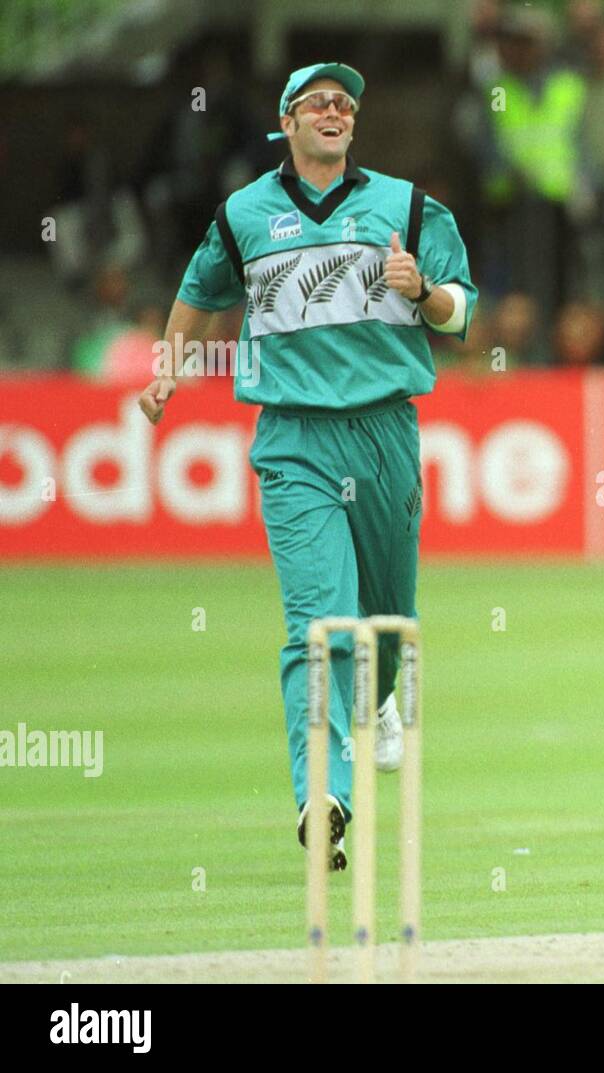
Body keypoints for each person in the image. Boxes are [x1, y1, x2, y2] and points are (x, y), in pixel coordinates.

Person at [136, 63, 477, 870]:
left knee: (386, 618)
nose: (335, 111)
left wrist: (423, 290)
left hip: (385, 431)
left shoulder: (407, 204)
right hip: (294, 440)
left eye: (346, 104)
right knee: (319, 624)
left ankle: (382, 691)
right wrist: (169, 363)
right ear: (286, 123)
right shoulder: (244, 213)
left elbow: (464, 310)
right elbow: (199, 287)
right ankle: (323, 795)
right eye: (318, 102)